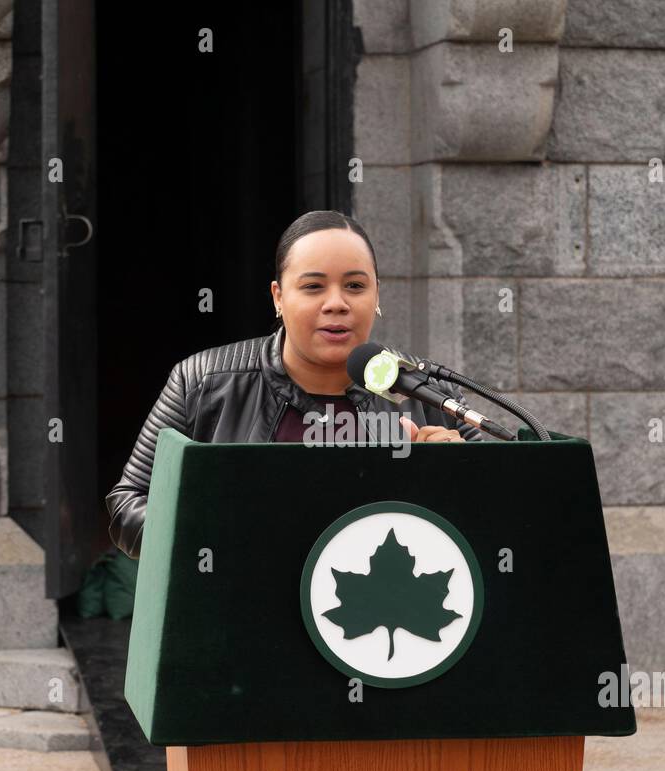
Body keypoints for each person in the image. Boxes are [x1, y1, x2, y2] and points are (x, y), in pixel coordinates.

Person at [106, 210, 482, 559]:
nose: (336, 303)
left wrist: (454, 477)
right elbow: (128, 507)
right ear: (278, 297)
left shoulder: (432, 396)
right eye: (313, 287)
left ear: (377, 295)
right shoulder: (202, 382)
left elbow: (494, 515)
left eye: (354, 285)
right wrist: (222, 533)